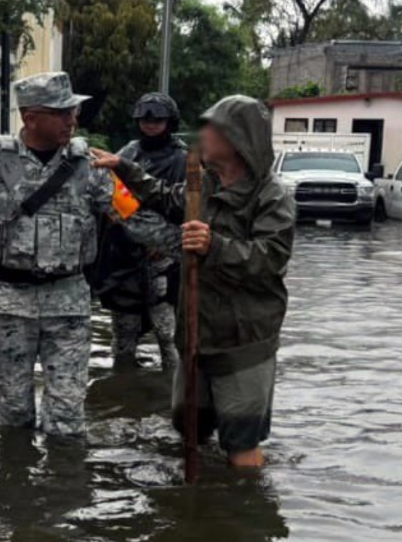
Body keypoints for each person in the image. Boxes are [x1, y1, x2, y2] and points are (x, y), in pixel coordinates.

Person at [90, 96, 295, 469]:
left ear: (236, 140)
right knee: (189, 428)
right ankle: (196, 513)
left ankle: (242, 514)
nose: (202, 135)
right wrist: (124, 168)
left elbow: (270, 258)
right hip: (197, 332)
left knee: (240, 438)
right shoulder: (203, 184)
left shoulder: (272, 195)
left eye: (212, 129)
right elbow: (165, 200)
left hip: (243, 338)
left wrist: (213, 245)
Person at [0, 72, 128, 440]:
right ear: (30, 118)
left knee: (67, 418)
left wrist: (186, 234)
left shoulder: (87, 165)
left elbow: (130, 216)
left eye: (72, 111)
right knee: (14, 413)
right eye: (61, 113)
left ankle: (62, 493)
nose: (71, 120)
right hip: (10, 306)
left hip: (69, 305)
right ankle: (13, 490)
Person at [94, 92, 187, 370]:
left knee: (168, 333)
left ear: (169, 122)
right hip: (126, 255)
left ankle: (173, 396)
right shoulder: (129, 153)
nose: (150, 125)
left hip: (165, 258)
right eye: (145, 120)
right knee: (125, 332)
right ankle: (123, 391)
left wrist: (167, 241)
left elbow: (186, 206)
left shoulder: (182, 159)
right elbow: (109, 193)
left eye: (157, 120)